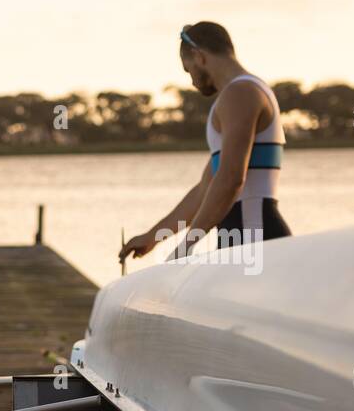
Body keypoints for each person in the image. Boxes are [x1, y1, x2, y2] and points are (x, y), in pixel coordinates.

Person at [120, 21, 289, 264]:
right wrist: (154, 237)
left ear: (199, 57)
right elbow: (206, 188)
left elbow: (231, 180)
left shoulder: (240, 94)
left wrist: (188, 244)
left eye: (188, 71)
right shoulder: (240, 93)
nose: (191, 81)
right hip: (241, 236)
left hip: (253, 236)